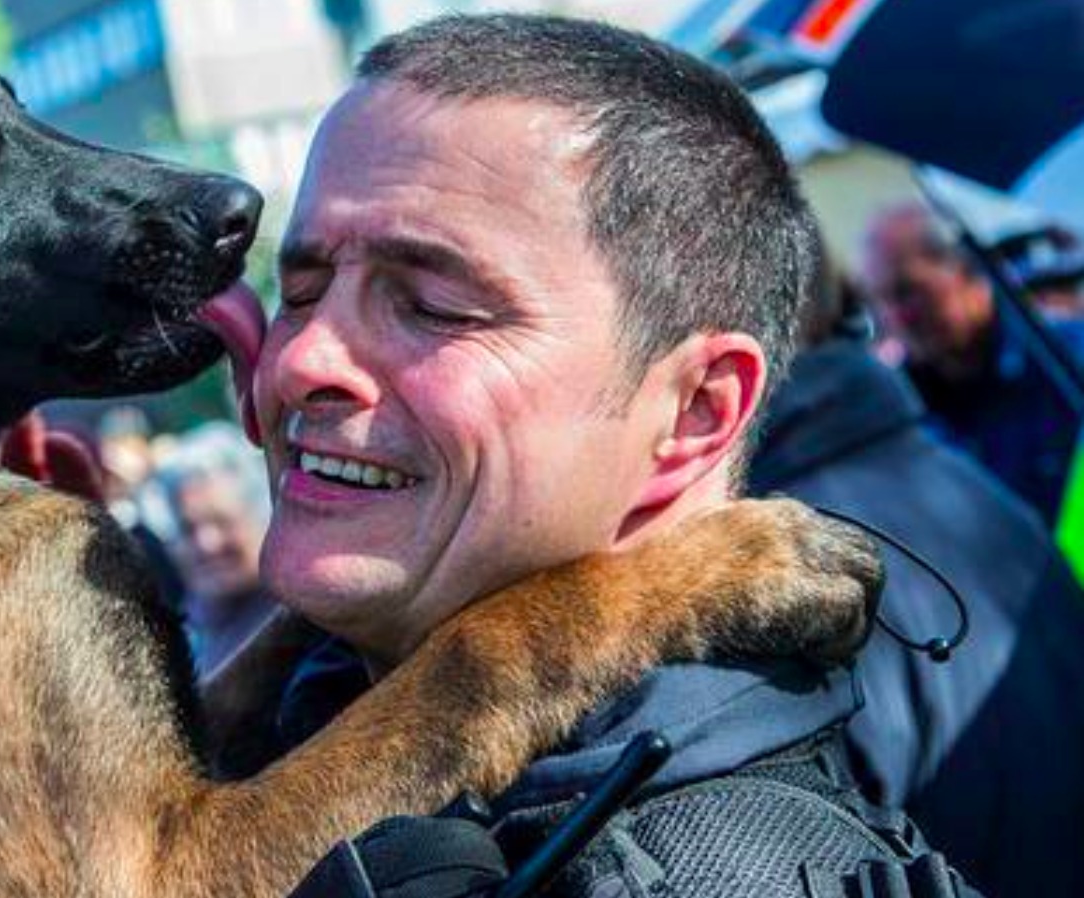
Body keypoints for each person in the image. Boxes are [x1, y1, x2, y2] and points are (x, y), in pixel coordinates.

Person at [234, 14, 976, 897]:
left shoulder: (718, 873)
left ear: (696, 411)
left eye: (435, 306)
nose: (301, 360)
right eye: (302, 291)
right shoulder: (293, 714)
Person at [749, 271, 1084, 897]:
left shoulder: (782, 587)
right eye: (894, 296)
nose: (907, 315)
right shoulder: (980, 487)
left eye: (914, 292)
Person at [861, 202, 1084, 525]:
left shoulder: (1064, 356)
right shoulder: (900, 411)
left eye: (908, 291)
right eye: (878, 300)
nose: (898, 316)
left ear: (965, 268)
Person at [156, 422, 277, 676]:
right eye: (188, 529)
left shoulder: (308, 622)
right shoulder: (183, 629)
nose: (206, 544)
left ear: (264, 512)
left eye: (222, 521)